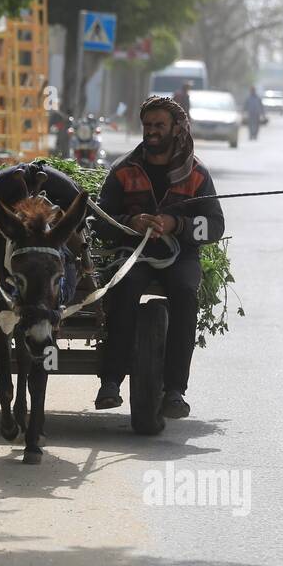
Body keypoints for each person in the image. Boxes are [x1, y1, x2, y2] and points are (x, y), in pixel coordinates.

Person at [91, 95, 225, 419]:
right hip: (134, 253)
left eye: (159, 126)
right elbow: (98, 220)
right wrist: (129, 223)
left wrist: (176, 224)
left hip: (180, 257)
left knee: (184, 292)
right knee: (123, 290)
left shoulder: (197, 174)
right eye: (147, 126)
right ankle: (110, 382)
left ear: (176, 129)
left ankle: (175, 391)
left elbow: (215, 225)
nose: (151, 132)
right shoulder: (123, 170)